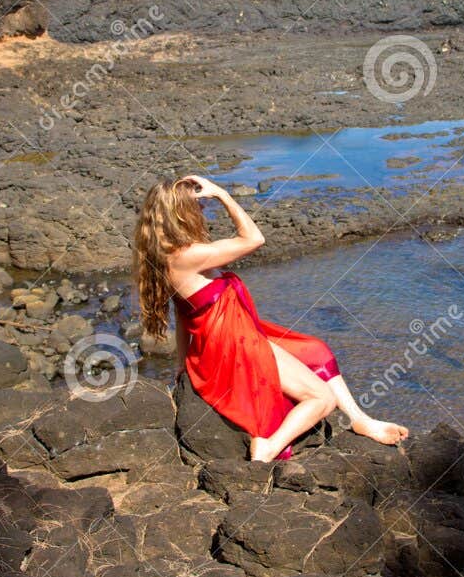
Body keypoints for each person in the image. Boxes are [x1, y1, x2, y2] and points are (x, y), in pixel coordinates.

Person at [133, 174, 410, 462]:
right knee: (322, 399)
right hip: (233, 346)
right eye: (197, 205)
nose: (203, 208)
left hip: (233, 336)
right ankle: (268, 446)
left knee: (316, 350)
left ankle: (358, 418)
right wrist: (223, 195)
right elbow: (254, 238)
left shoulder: (164, 254)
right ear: (180, 212)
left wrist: (181, 363)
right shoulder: (190, 255)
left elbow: (183, 312)